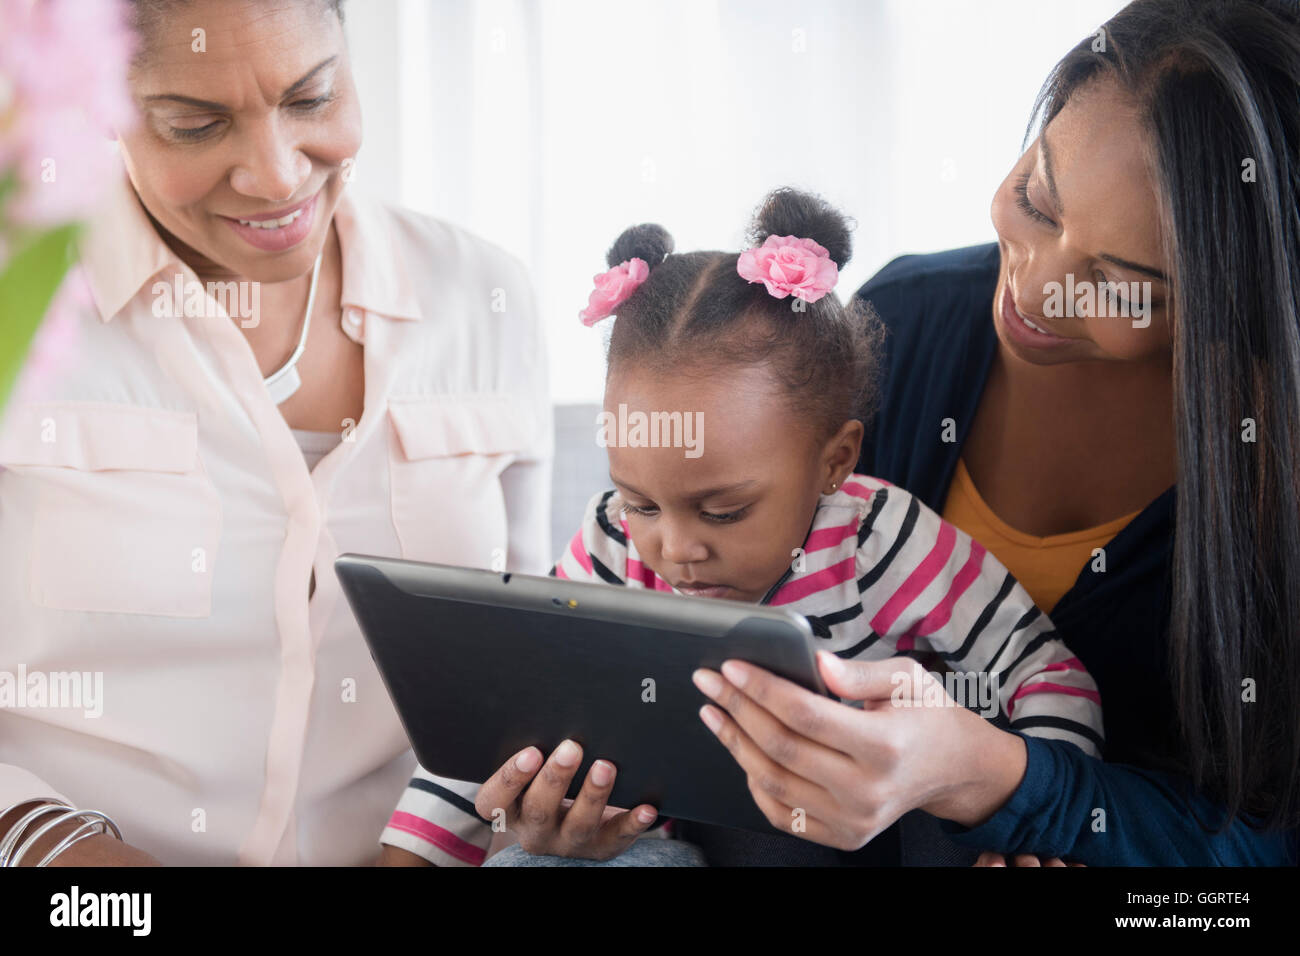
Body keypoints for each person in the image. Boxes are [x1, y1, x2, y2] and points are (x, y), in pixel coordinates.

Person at [382, 189, 1105, 867]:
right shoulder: (611, 543)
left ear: (835, 460)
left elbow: (1044, 670)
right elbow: (498, 705)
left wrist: (1028, 826)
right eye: (640, 502)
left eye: (724, 511)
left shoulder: (875, 542)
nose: (675, 550)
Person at [0, 0, 550, 866]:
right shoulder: (20, 299)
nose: (276, 172)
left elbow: (522, 666)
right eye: (194, 124)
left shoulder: (483, 296)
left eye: (312, 97)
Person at [854, 0, 1300, 865]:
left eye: (1124, 285)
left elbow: (1258, 853)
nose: (1036, 288)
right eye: (1038, 201)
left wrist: (1011, 786)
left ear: (1233, 302)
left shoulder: (1270, 469)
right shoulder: (895, 327)